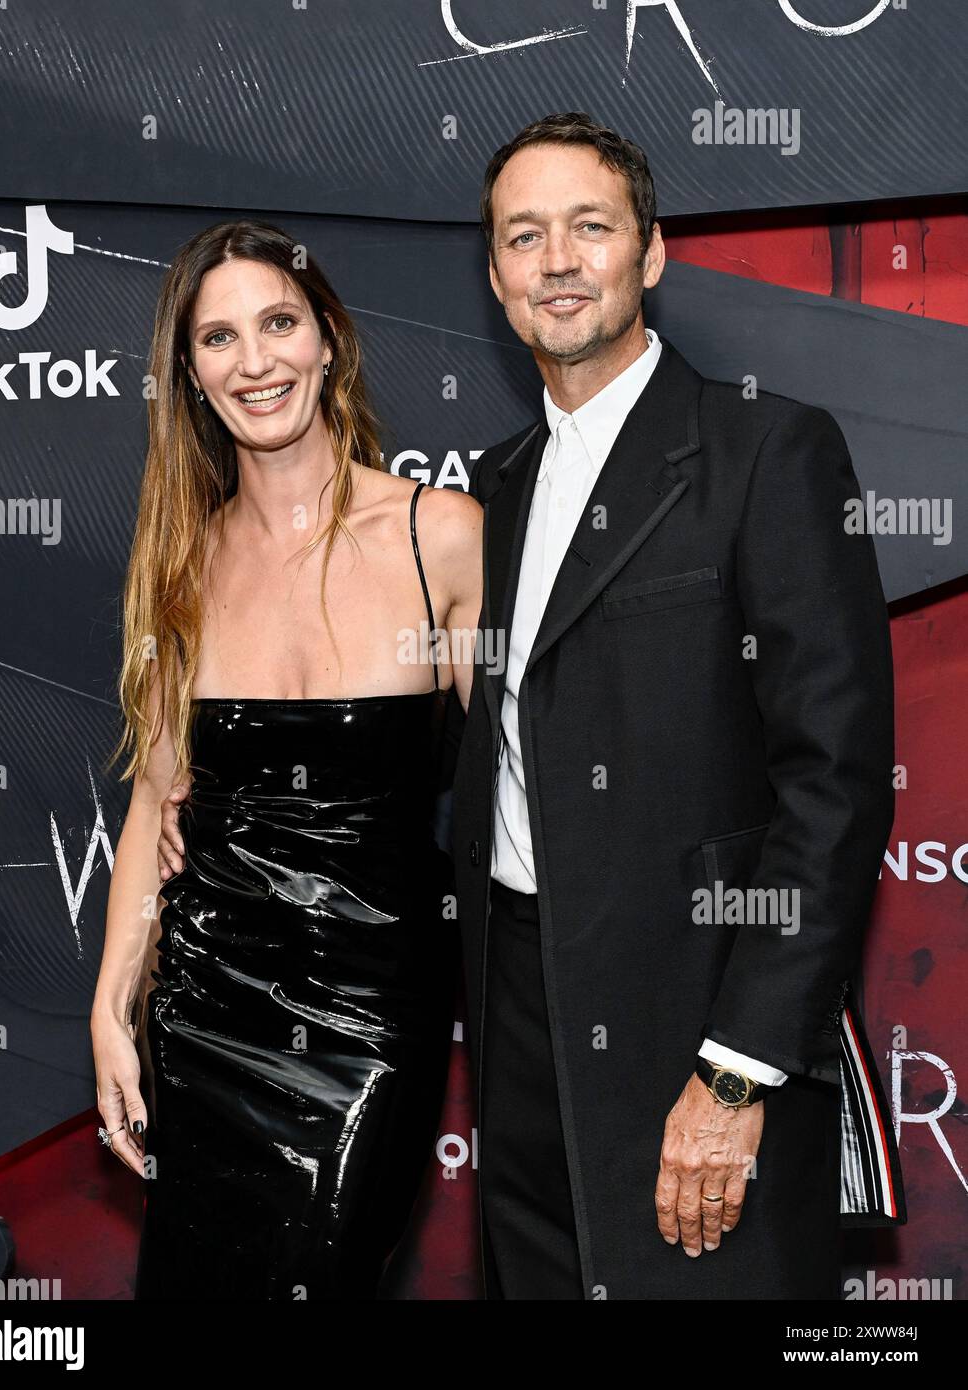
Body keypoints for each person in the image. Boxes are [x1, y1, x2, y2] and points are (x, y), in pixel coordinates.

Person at [449, 112, 905, 1300]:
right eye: (524, 236)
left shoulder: (768, 453)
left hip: (696, 1028)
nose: (558, 260)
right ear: (496, 274)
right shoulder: (488, 493)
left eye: (590, 228)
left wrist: (741, 1068)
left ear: (650, 254)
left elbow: (834, 784)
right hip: (518, 1035)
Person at [90, 217, 482, 1300]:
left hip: (372, 1018)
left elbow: (526, 770)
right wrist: (110, 1007)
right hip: (207, 1009)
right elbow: (153, 800)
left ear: (328, 341)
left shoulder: (440, 536)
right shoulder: (183, 559)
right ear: (191, 374)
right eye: (219, 339)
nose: (255, 360)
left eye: (278, 323)